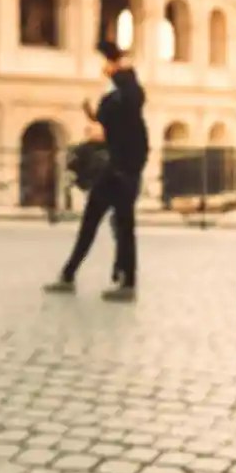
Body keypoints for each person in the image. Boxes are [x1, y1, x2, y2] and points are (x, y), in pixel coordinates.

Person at [44, 41, 149, 301]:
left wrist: (119, 69)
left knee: (123, 227)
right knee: (93, 223)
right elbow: (106, 120)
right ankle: (70, 274)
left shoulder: (129, 93)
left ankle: (126, 282)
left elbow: (130, 99)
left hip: (124, 170)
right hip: (115, 168)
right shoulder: (114, 96)